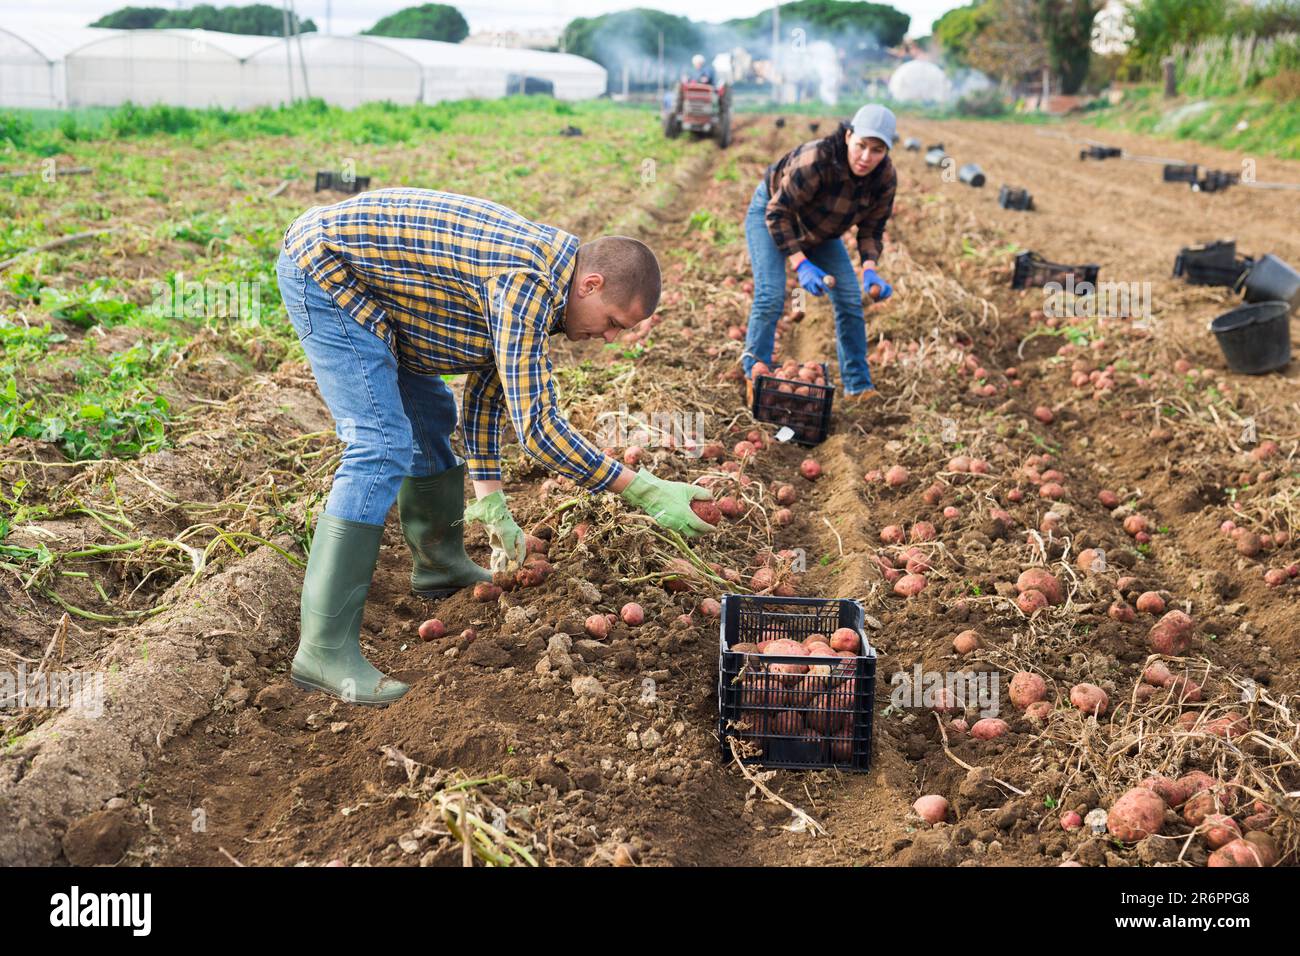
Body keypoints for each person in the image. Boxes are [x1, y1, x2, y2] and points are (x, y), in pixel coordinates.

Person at [276, 188, 714, 706]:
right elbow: (539, 432)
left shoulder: (548, 286)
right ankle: (323, 649)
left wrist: (493, 504)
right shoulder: (526, 282)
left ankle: (438, 564)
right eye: (614, 323)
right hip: (327, 275)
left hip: (383, 297)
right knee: (380, 444)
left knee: (433, 415)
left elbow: (489, 395)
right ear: (591, 284)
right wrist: (642, 487)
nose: (609, 338)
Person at [742, 103, 898, 404]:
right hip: (773, 213)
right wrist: (801, 263)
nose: (866, 157)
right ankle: (755, 375)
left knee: (851, 298)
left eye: (877, 150)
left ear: (886, 151)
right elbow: (777, 214)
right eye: (861, 146)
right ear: (848, 136)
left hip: (822, 229)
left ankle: (858, 387)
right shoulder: (816, 160)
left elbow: (872, 229)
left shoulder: (885, 179)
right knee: (770, 295)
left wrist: (869, 269)